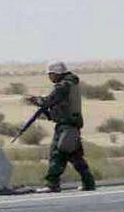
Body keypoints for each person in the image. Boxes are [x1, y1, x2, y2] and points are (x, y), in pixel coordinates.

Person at [31, 61, 96, 193]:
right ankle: (88, 182)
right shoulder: (71, 83)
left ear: (56, 73)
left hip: (67, 126)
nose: (50, 78)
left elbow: (49, 101)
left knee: (58, 153)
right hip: (70, 125)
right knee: (74, 155)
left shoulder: (63, 86)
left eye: (50, 74)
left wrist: (36, 100)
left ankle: (52, 183)